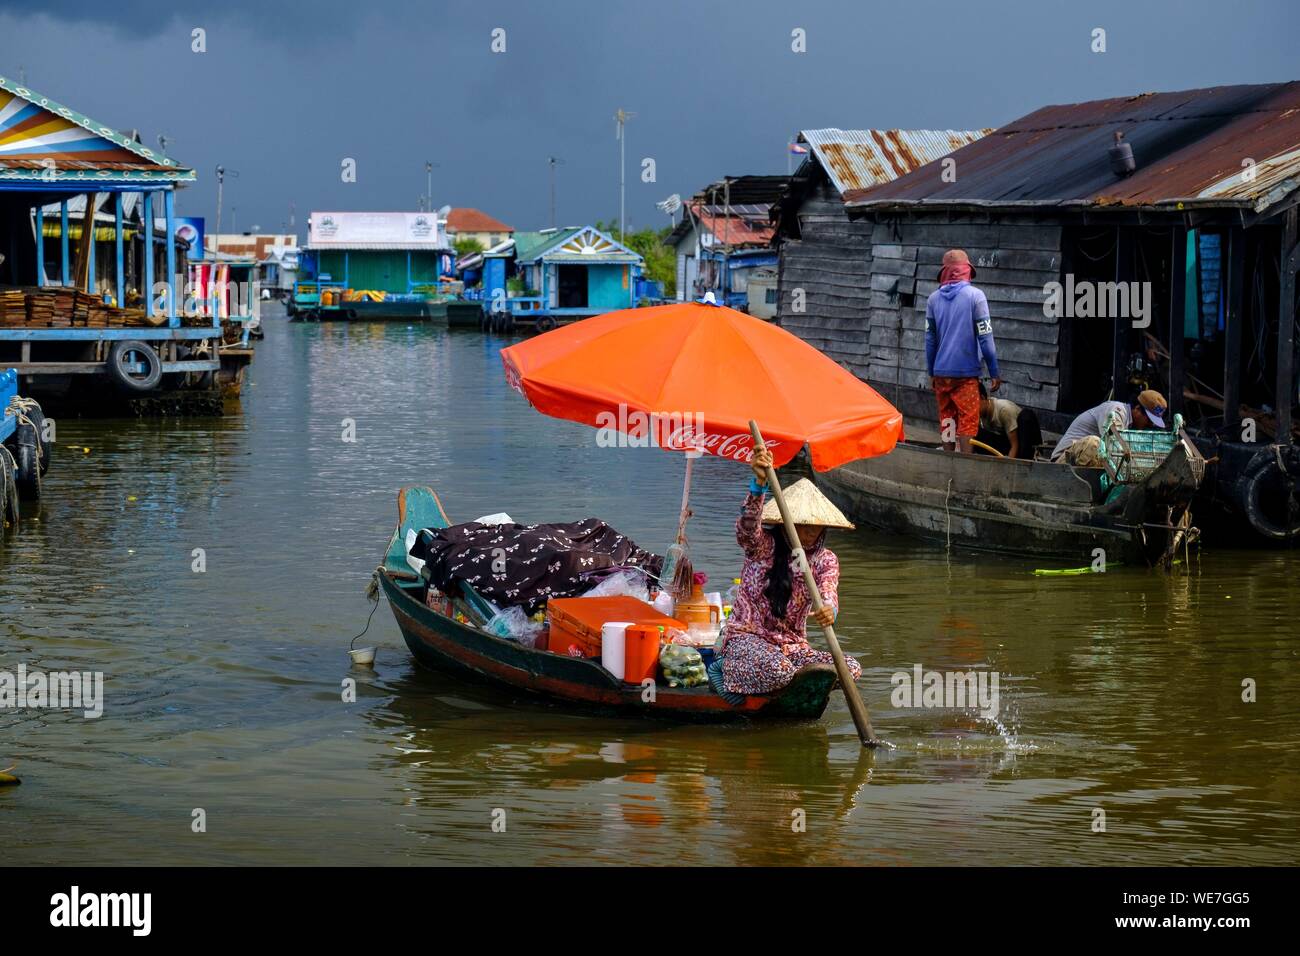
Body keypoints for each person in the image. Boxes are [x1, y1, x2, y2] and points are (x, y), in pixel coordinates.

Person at [717, 445, 862, 696]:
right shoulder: (764, 546)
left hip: (792, 647)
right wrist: (758, 486)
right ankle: (727, 669)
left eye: (816, 526)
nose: (810, 531)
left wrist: (829, 609)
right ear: (788, 522)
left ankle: (789, 687)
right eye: (802, 524)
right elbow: (746, 531)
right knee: (779, 671)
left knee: (850, 668)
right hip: (748, 638)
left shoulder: (824, 560)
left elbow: (828, 590)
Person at [925, 249, 1002, 453]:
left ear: (945, 272)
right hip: (966, 374)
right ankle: (965, 465)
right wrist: (994, 372)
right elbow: (985, 338)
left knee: (947, 418)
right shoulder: (976, 296)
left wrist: (931, 371)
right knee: (968, 420)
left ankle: (948, 458)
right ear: (966, 270)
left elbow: (930, 339)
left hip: (941, 373)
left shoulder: (932, 300)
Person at [1051, 390, 1168, 466]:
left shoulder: (1131, 425)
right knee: (1095, 443)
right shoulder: (1116, 411)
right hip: (1064, 461)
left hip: (1086, 462)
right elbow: (1114, 447)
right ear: (1137, 409)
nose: (1150, 425)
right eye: (1149, 420)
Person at [976, 381, 1043, 459]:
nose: (971, 410)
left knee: (1026, 415)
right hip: (1007, 444)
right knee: (976, 434)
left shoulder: (1003, 409)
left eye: (973, 404)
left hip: (1023, 444)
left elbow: (1015, 445)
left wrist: (1009, 466)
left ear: (982, 398)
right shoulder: (982, 414)